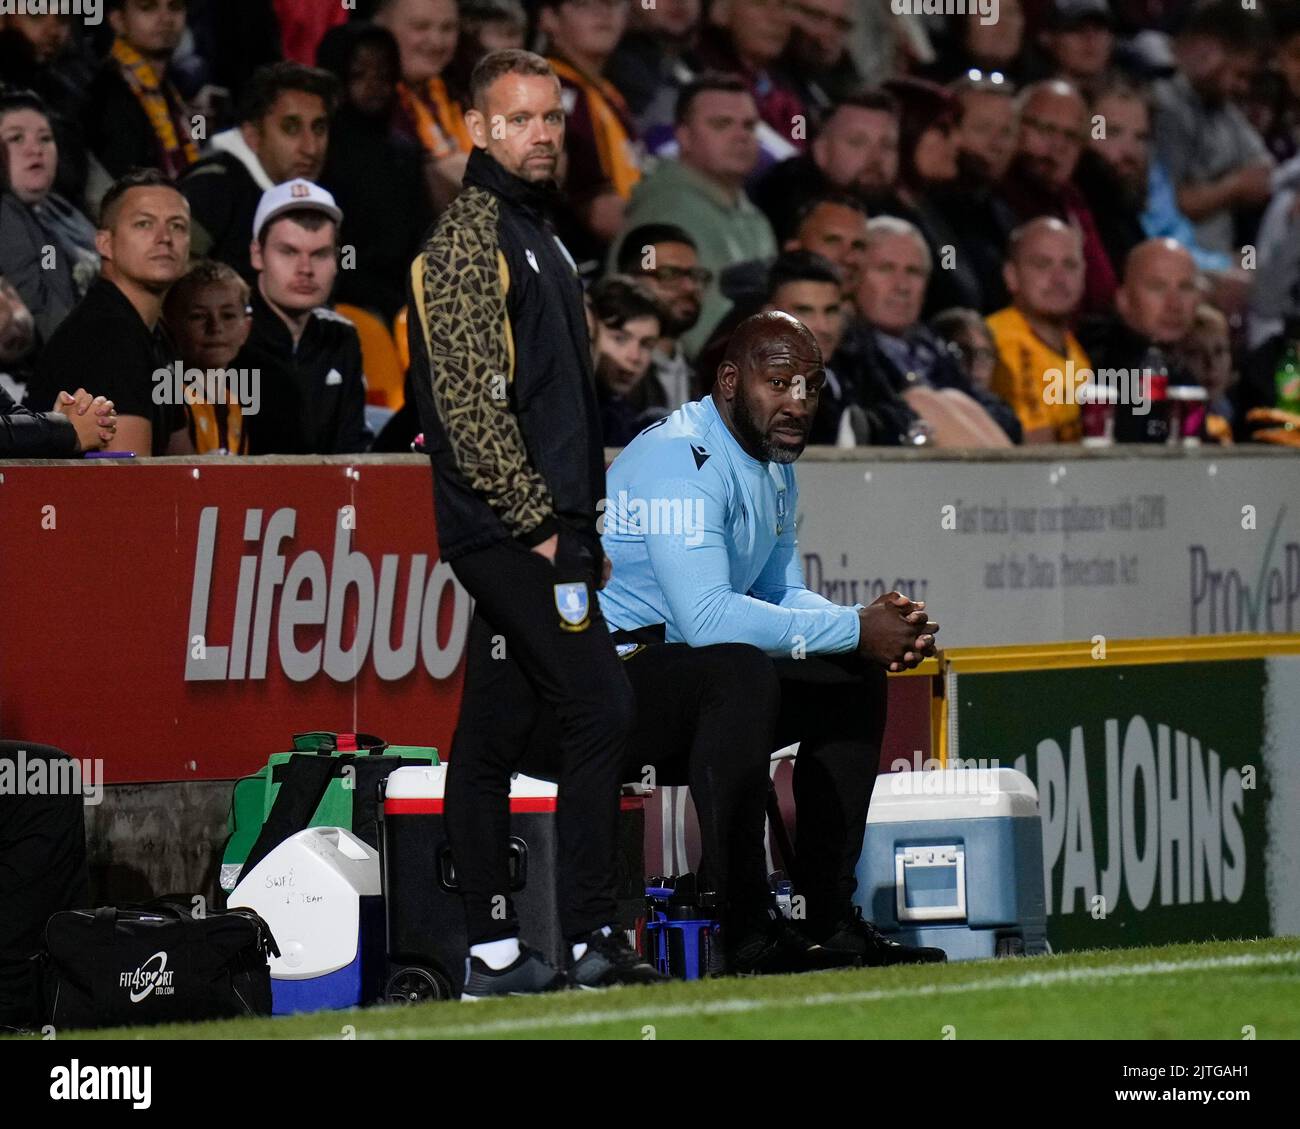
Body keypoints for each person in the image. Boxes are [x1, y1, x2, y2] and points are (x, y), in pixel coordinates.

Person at [406, 48, 664, 996]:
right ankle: (594, 934)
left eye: (553, 118)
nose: (543, 134)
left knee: (489, 738)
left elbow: (550, 397)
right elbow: (468, 408)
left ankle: (492, 955)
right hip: (511, 531)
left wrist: (573, 524)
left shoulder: (538, 234)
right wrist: (543, 528)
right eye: (520, 119)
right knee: (601, 705)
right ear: (476, 128)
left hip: (540, 525)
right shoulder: (470, 239)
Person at [598, 310, 947, 965]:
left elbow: (779, 594)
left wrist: (873, 633)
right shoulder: (682, 460)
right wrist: (853, 627)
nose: (798, 402)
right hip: (613, 686)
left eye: (810, 387)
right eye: (779, 381)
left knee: (850, 678)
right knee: (740, 671)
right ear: (730, 381)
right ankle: (746, 930)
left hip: (698, 685)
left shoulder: (773, 459)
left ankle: (828, 917)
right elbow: (704, 618)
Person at [613, 73, 777, 358]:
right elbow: (691, 334)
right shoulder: (666, 209)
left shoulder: (755, 217)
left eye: (749, 126)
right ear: (684, 137)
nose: (741, 136)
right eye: (721, 124)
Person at [31, 168, 190, 456]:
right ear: (105, 243)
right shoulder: (111, 334)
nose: (164, 237)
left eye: (178, 226)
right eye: (144, 224)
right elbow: (129, 484)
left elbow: (187, 465)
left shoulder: (157, 334)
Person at [841, 216, 1019, 447]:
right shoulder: (846, 345)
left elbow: (1007, 421)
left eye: (913, 272)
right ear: (856, 276)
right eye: (886, 269)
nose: (902, 286)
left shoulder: (934, 346)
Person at [239, 180, 369, 455]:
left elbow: (353, 450)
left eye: (320, 254)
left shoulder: (341, 337)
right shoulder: (229, 338)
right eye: (288, 252)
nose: (305, 269)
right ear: (257, 255)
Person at [316, 22, 435, 321]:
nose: (374, 85)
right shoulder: (320, 152)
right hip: (340, 301)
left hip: (404, 300)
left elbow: (420, 235)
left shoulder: (404, 152)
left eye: (383, 74)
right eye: (359, 74)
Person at [179, 62, 338, 282]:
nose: (311, 148)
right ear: (252, 136)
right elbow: (175, 278)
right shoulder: (211, 187)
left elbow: (347, 266)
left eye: (319, 128)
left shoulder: (325, 192)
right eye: (291, 128)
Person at [1151, 0, 1273, 257]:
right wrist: (1234, 186)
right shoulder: (1166, 106)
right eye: (1238, 75)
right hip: (1176, 257)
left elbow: (1265, 173)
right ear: (1209, 52)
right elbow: (1176, 203)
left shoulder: (1226, 112)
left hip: (1222, 259)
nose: (1243, 87)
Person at [998, 78, 1117, 315]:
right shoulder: (994, 199)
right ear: (1015, 127)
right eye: (1046, 129)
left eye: (1071, 136)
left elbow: (1103, 290)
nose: (1058, 145)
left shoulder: (1075, 202)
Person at [539, 0, 643, 262]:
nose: (603, 14)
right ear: (549, 18)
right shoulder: (543, 90)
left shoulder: (609, 93)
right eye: (585, 5)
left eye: (614, 4)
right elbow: (600, 215)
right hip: (574, 264)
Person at [1078, 237, 1204, 444]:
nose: (1174, 305)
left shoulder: (1182, 368)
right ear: (1123, 300)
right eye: (1157, 287)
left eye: (1185, 287)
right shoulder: (1093, 368)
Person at [0, 90, 101, 346]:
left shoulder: (58, 205)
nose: (36, 149)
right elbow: (45, 313)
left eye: (45, 138)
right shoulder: (6, 217)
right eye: (16, 138)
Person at [986, 217, 1093, 443]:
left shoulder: (1075, 350)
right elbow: (1036, 453)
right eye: (1042, 264)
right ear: (1011, 276)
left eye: (1070, 265)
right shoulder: (1004, 342)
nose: (1059, 279)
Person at [749, 90, 900, 243]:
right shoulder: (775, 205)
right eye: (857, 142)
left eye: (887, 145)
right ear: (821, 151)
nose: (876, 158)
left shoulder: (899, 217)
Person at [84, 0, 199, 181]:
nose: (166, 18)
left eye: (175, 7)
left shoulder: (174, 89)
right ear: (118, 20)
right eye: (148, 7)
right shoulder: (108, 94)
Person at [376, 0, 472, 211]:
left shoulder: (462, 90)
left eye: (448, 28)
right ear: (381, 27)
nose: (436, 42)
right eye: (420, 27)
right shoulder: (372, 106)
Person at [162, 259, 254, 454]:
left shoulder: (238, 402)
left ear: (246, 328)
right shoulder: (168, 399)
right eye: (198, 316)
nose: (215, 328)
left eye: (228, 315)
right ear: (172, 325)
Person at [589, 274, 663, 447]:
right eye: (620, 339)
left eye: (646, 345)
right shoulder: (571, 412)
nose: (634, 356)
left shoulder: (636, 420)